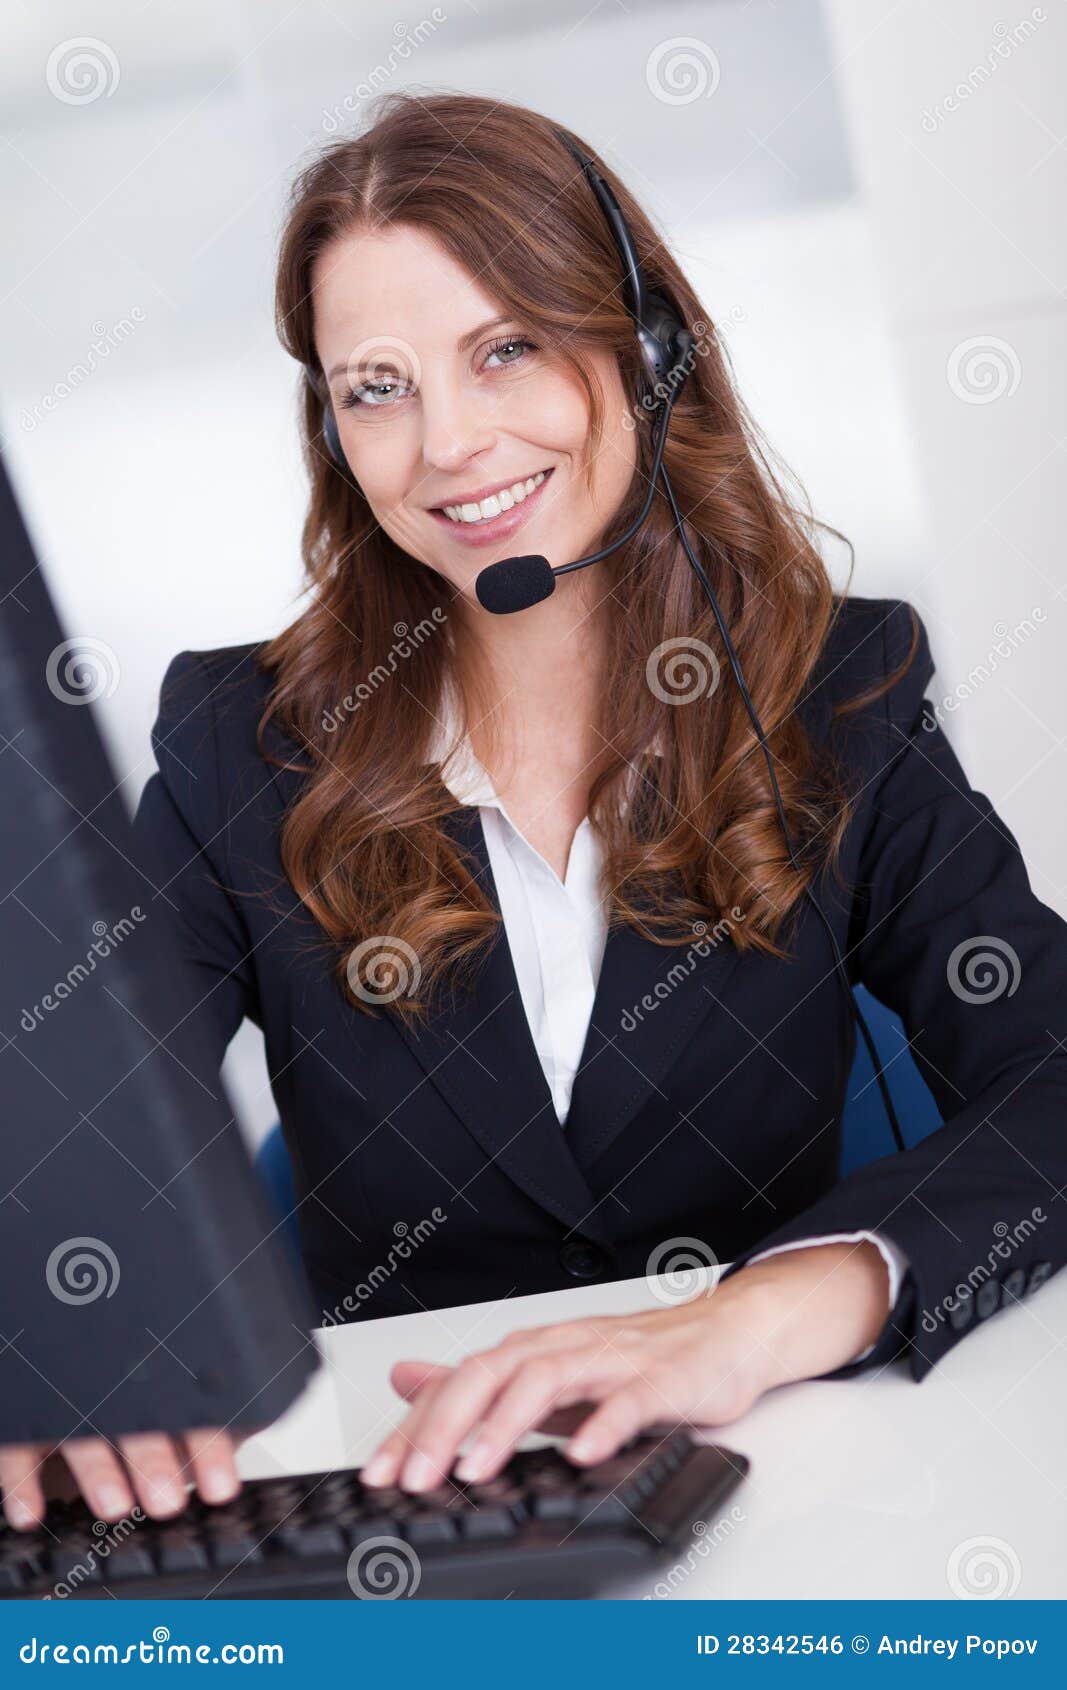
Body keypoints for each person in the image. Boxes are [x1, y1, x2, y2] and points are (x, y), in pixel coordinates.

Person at [4, 91, 1065, 1532]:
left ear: (646, 350)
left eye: (505, 348)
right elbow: (69, 1113)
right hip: (412, 1503)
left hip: (793, 1480)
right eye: (375, 385)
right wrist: (46, 1359)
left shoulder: (841, 692)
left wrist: (754, 1317)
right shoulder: (242, 743)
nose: (448, 442)